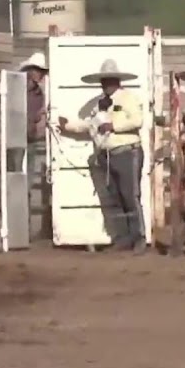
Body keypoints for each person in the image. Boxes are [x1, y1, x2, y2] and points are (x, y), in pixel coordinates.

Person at [57, 59, 147, 253]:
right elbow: (90, 124)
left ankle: (138, 237)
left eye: (109, 80)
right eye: (104, 81)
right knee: (115, 196)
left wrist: (114, 126)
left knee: (130, 195)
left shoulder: (128, 98)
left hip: (127, 151)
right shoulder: (100, 105)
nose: (106, 84)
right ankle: (123, 237)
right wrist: (67, 126)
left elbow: (138, 120)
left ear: (117, 81)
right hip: (108, 154)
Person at [19, 52, 51, 238]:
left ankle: (25, 229)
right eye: (39, 71)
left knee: (27, 184)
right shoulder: (21, 90)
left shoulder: (38, 94)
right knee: (19, 183)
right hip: (17, 142)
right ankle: (21, 228)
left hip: (28, 141)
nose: (41, 75)